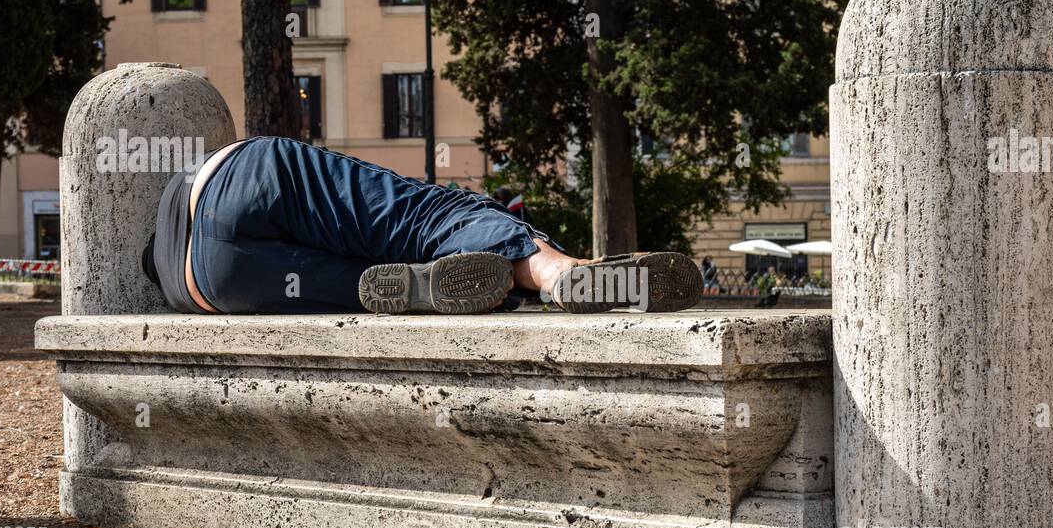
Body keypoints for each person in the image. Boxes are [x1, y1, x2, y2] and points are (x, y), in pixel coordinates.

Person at [141, 136, 701, 316]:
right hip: (249, 177)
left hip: (216, 286)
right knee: (425, 215)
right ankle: (553, 271)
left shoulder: (164, 267)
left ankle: (426, 287)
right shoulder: (185, 188)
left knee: (377, 278)